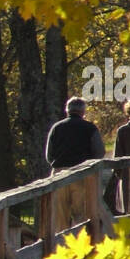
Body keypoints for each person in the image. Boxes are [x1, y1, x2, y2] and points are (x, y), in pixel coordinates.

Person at [45, 96, 105, 233]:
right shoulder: (90, 128)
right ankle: (81, 248)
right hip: (82, 174)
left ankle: (61, 248)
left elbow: (49, 156)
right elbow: (99, 152)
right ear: (83, 112)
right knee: (81, 216)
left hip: (59, 175)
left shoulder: (57, 127)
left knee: (60, 218)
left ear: (67, 110)